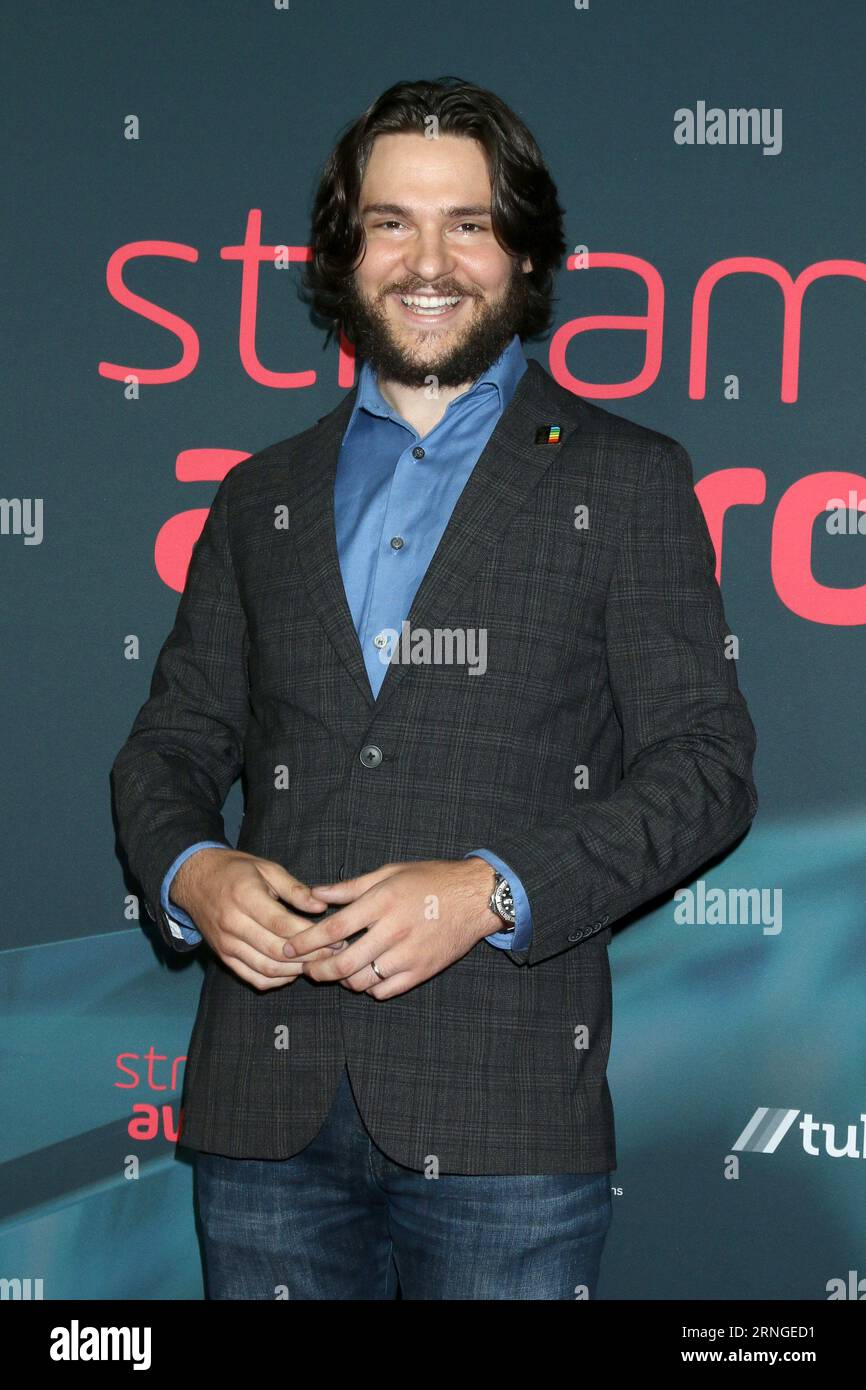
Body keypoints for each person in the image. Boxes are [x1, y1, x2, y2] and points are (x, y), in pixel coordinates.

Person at [111, 76, 758, 1301]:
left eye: (466, 222)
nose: (428, 260)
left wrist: (487, 891)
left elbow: (704, 766)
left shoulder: (623, 479)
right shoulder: (258, 496)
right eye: (391, 221)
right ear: (343, 248)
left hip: (507, 1115)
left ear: (521, 252)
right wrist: (193, 868)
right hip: (262, 1112)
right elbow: (169, 747)